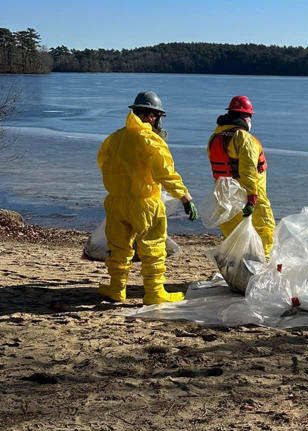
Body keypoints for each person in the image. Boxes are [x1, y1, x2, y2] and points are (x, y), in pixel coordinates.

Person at [97, 91, 198, 305]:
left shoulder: (115, 138)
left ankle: (116, 289)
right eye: (157, 117)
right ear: (151, 116)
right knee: (153, 248)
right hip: (145, 204)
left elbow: (104, 164)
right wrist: (185, 197)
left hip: (116, 203)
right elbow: (165, 173)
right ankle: (154, 292)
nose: (158, 122)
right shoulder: (151, 140)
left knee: (119, 247)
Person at [207, 94, 275, 258]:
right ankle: (262, 267)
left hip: (226, 196)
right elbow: (248, 170)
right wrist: (252, 197)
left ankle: (236, 267)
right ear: (246, 116)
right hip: (250, 196)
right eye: (250, 116)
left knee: (232, 236)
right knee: (265, 231)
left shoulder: (215, 137)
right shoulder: (244, 139)